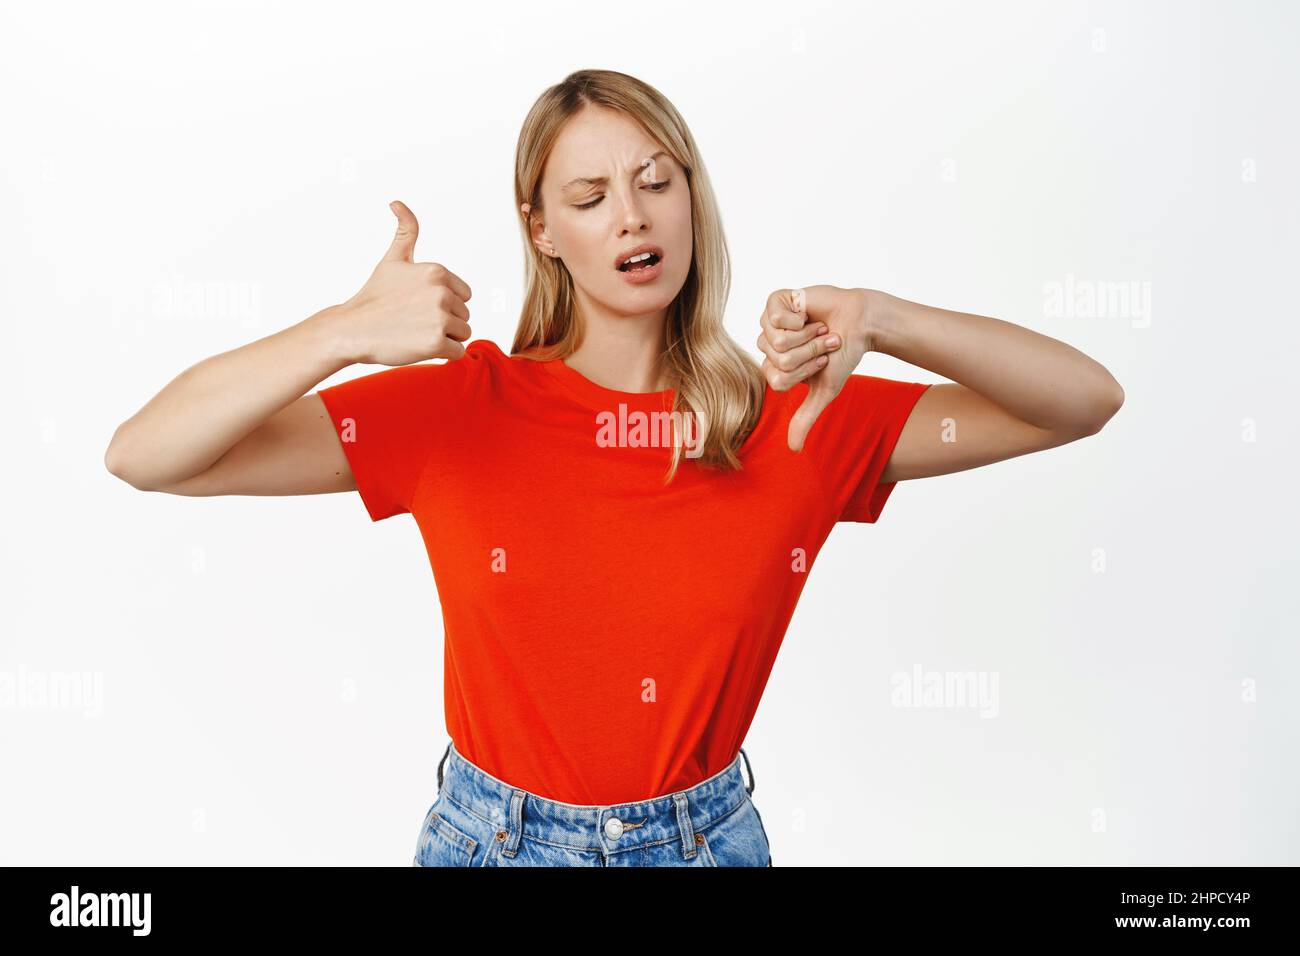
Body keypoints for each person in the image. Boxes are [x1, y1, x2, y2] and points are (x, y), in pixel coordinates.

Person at [104, 69, 1124, 867]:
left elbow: (1082, 398)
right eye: (590, 196)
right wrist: (343, 331)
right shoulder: (462, 409)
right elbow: (147, 453)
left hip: (704, 841)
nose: (632, 216)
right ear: (542, 232)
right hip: (491, 841)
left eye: (654, 182)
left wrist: (891, 318)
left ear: (690, 199)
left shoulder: (796, 415)